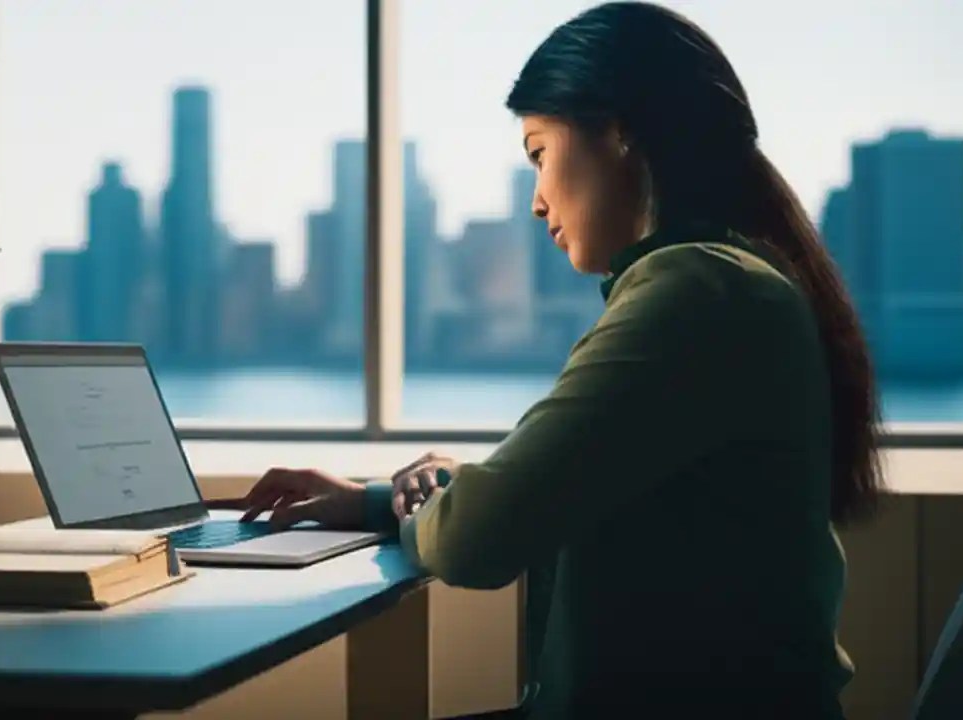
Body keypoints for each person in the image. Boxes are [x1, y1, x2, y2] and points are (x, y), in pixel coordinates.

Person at [237, 2, 883, 717]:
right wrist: (374, 500)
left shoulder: (697, 292)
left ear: (620, 129)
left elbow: (482, 538)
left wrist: (423, 504)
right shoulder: (728, 282)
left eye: (540, 154)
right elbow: (562, 479)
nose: (536, 201)